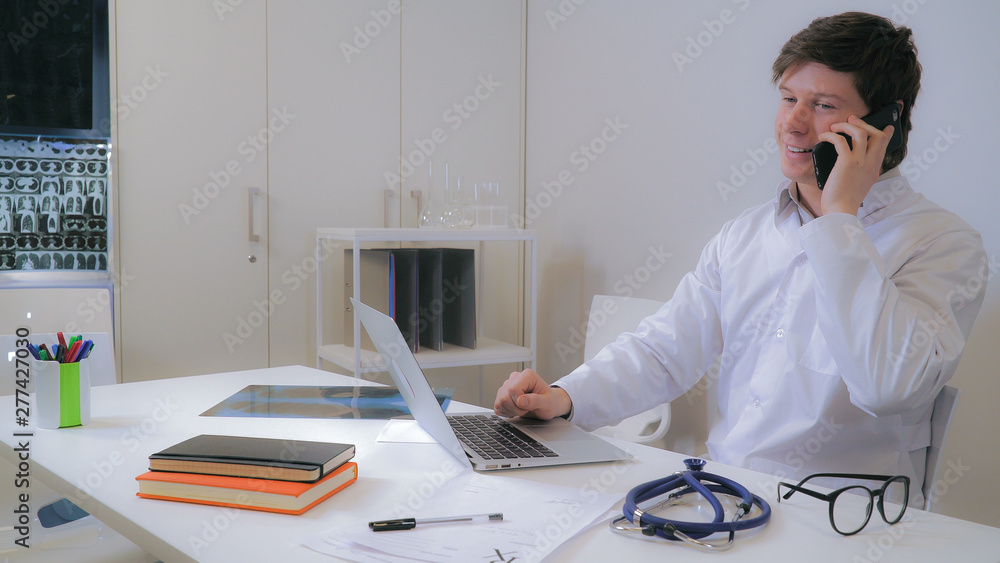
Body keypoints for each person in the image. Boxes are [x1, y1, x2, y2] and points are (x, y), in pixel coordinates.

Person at [494, 12, 987, 507]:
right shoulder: (745, 234)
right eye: (789, 98)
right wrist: (564, 398)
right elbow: (664, 350)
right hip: (723, 499)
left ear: (884, 124)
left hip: (845, 520)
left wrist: (840, 220)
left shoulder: (942, 244)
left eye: (822, 105)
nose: (793, 122)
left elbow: (887, 387)